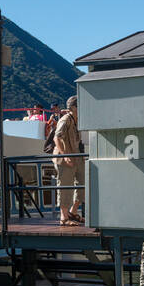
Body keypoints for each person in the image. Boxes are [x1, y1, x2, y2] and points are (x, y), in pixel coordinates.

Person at [53, 96, 83, 224]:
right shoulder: (65, 120)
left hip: (77, 156)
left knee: (83, 182)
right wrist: (64, 155)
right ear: (74, 108)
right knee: (65, 185)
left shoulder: (78, 120)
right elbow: (57, 138)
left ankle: (73, 212)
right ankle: (64, 218)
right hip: (65, 158)